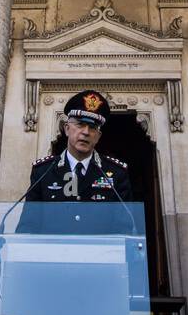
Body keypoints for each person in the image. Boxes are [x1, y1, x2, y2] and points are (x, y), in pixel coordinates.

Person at [15, 90, 135, 235]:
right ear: (66, 129)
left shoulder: (116, 173)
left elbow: (125, 231)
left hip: (99, 256)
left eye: (92, 127)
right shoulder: (43, 171)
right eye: (80, 124)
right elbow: (28, 227)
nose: (85, 132)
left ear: (98, 136)